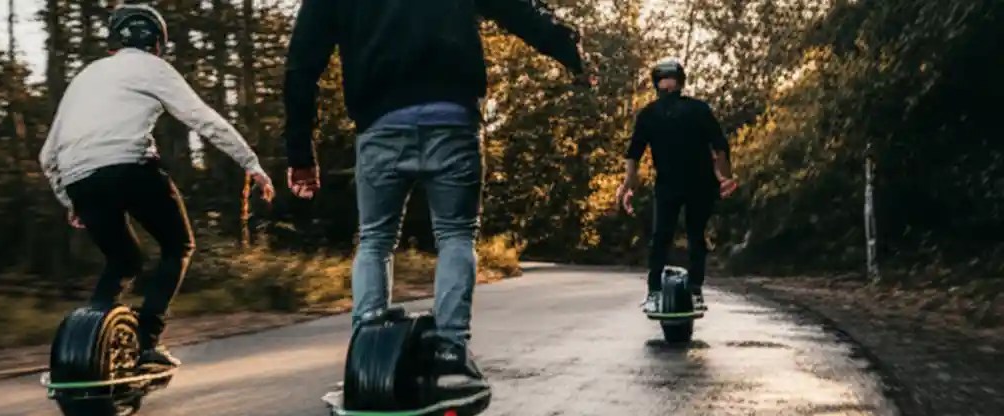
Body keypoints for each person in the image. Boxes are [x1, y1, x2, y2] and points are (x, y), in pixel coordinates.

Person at [283, 0, 591, 390]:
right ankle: (450, 350)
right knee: (456, 235)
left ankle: (368, 350)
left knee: (375, 239)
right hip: (453, 119)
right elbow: (518, 10)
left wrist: (300, 154)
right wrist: (572, 53)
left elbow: (302, 64)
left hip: (380, 126)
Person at [39, 3, 274, 368]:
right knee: (178, 245)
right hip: (129, 167)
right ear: (157, 43)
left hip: (79, 179)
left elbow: (47, 155)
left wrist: (71, 201)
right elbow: (203, 119)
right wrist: (250, 163)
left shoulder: (85, 75)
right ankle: (146, 340)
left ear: (113, 42)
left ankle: (88, 348)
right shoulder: (153, 67)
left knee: (123, 260)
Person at [616, 58, 737, 314]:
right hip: (685, 183)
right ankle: (679, 291)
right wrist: (724, 177)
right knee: (682, 236)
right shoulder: (691, 109)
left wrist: (724, 177)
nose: (668, 84)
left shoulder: (657, 112)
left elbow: (634, 154)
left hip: (687, 183)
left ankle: (672, 291)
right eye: (666, 79)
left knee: (672, 237)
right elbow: (720, 146)